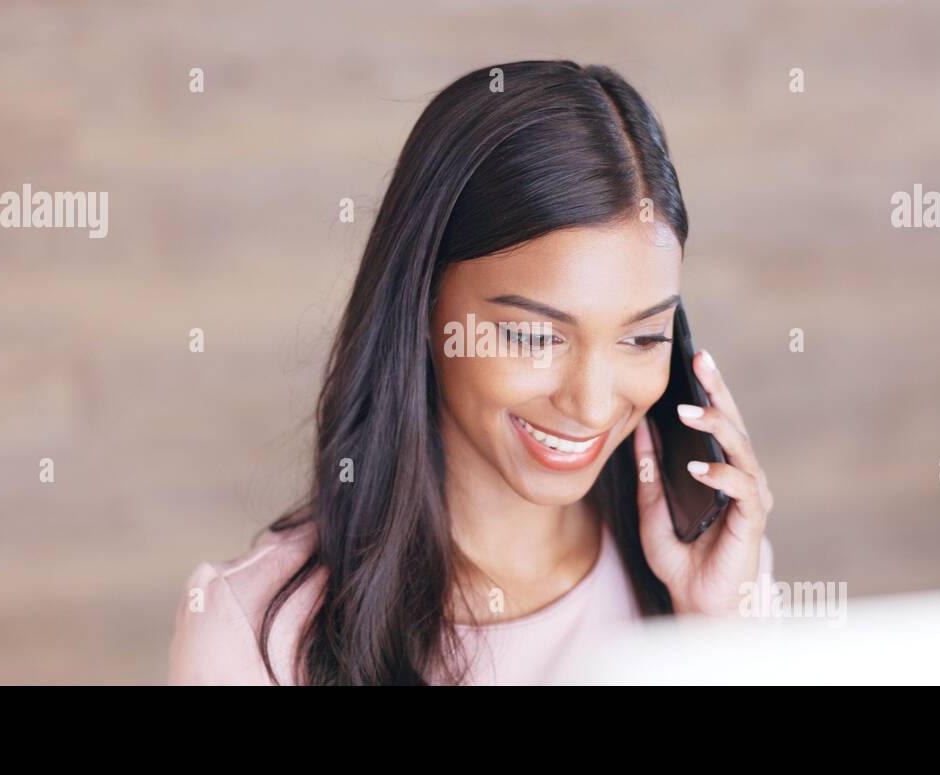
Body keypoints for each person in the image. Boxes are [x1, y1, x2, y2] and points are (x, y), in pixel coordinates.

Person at [168, 60, 774, 685]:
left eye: (644, 337)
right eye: (536, 336)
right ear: (424, 305)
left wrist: (715, 633)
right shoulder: (256, 631)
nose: (593, 406)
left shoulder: (711, 576)